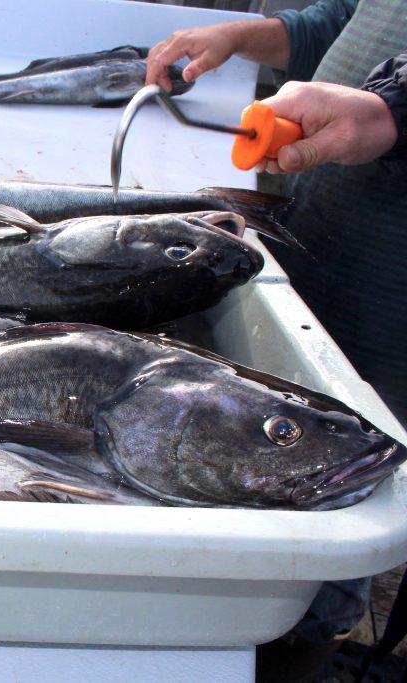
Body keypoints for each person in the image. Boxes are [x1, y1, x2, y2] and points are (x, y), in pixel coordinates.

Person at [143, 2, 406, 680]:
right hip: (311, 289)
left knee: (345, 518)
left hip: (390, 334)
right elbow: (366, 16)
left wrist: (395, 109)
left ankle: (302, 647)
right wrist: (253, 37)